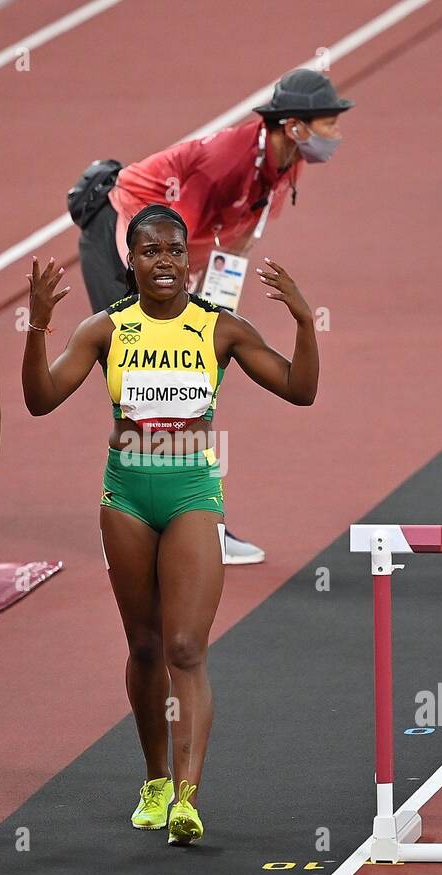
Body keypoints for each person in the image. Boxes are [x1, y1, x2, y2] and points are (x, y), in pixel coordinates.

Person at [22, 204, 318, 844]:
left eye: (176, 251)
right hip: (126, 493)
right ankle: (155, 778)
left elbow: (300, 389)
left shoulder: (220, 331)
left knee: (186, 646)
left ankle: (188, 795)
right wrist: (37, 328)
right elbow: (41, 400)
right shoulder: (106, 331)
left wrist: (302, 321)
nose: (166, 263)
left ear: (192, 258)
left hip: (190, 490)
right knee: (146, 646)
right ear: (131, 261)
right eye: (151, 252)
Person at [72, 68, 353, 565]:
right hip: (124, 236)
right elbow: (170, 239)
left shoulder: (286, 164)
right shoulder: (226, 161)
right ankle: (129, 516)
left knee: (190, 385)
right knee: (148, 380)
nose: (336, 135)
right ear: (295, 126)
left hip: (171, 256)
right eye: (328, 124)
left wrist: (218, 305)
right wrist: (187, 313)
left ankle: (193, 516)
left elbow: (239, 240)